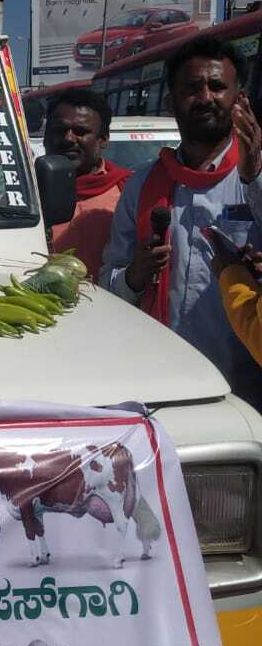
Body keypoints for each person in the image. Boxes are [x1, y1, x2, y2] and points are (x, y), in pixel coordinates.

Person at [100, 36, 262, 408]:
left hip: (247, 391)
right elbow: (108, 284)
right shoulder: (142, 185)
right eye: (192, 88)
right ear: (171, 101)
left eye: (218, 87)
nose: (206, 97)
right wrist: (133, 277)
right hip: (159, 386)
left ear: (239, 98)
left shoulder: (255, 174)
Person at [43, 89, 130, 281]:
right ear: (46, 135)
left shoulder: (128, 192)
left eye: (80, 132)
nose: (68, 138)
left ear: (103, 139)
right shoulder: (24, 192)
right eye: (59, 130)